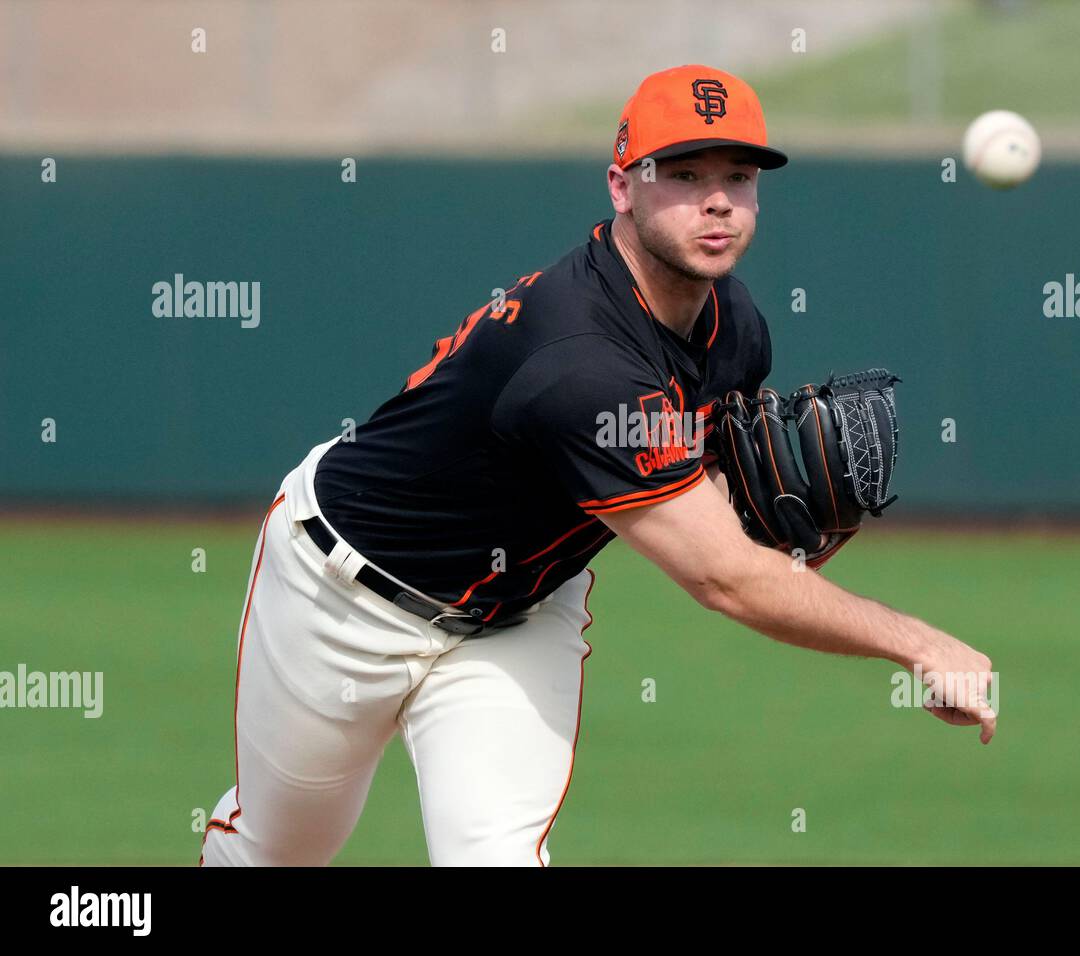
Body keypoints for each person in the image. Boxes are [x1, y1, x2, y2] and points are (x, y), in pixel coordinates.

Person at [200, 64, 995, 868]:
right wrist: (919, 643)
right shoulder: (578, 360)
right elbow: (724, 578)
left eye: (738, 177)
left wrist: (769, 519)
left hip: (517, 616)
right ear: (622, 186)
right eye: (683, 174)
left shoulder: (737, 325)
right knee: (275, 855)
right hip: (343, 594)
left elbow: (703, 487)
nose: (717, 199)